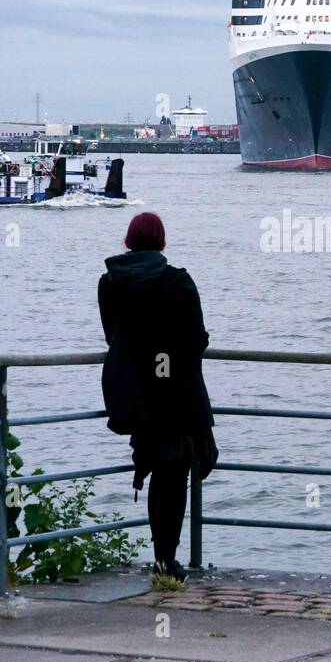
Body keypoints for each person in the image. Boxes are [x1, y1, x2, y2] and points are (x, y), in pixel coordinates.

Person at [99, 212, 217, 581]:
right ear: (162, 242)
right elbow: (198, 340)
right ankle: (168, 559)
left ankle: (161, 557)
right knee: (174, 473)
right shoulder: (179, 282)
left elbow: (111, 336)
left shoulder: (110, 282)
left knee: (151, 466)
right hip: (176, 392)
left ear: (128, 241)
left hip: (135, 392)